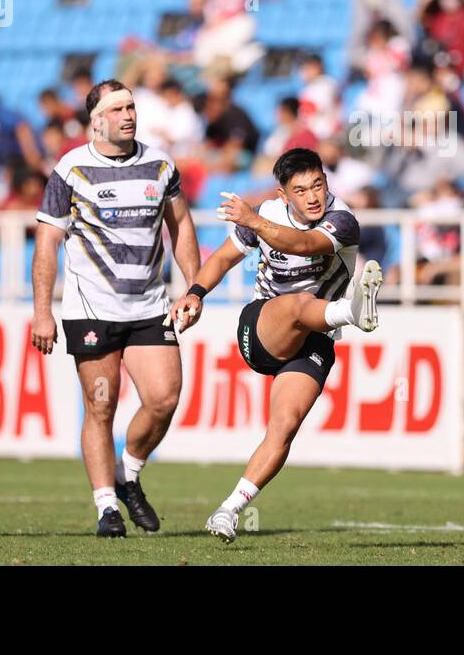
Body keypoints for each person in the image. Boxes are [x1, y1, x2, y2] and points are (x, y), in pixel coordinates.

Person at [175, 149, 382, 543]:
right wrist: (196, 293)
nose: (313, 197)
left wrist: (252, 219)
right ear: (284, 195)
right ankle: (352, 313)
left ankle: (228, 509)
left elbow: (304, 245)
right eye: (300, 190)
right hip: (262, 329)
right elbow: (220, 259)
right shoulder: (266, 215)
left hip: (315, 337)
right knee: (299, 305)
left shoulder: (343, 220)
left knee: (284, 427)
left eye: (318, 185)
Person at [30, 79, 202, 537]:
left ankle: (129, 472)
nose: (129, 115)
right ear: (97, 120)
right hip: (93, 308)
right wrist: (42, 311)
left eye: (132, 106)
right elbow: (47, 242)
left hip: (149, 305)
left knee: (164, 398)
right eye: (118, 108)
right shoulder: (70, 170)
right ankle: (107, 506)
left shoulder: (160, 164)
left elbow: (181, 224)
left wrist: (195, 288)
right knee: (100, 406)